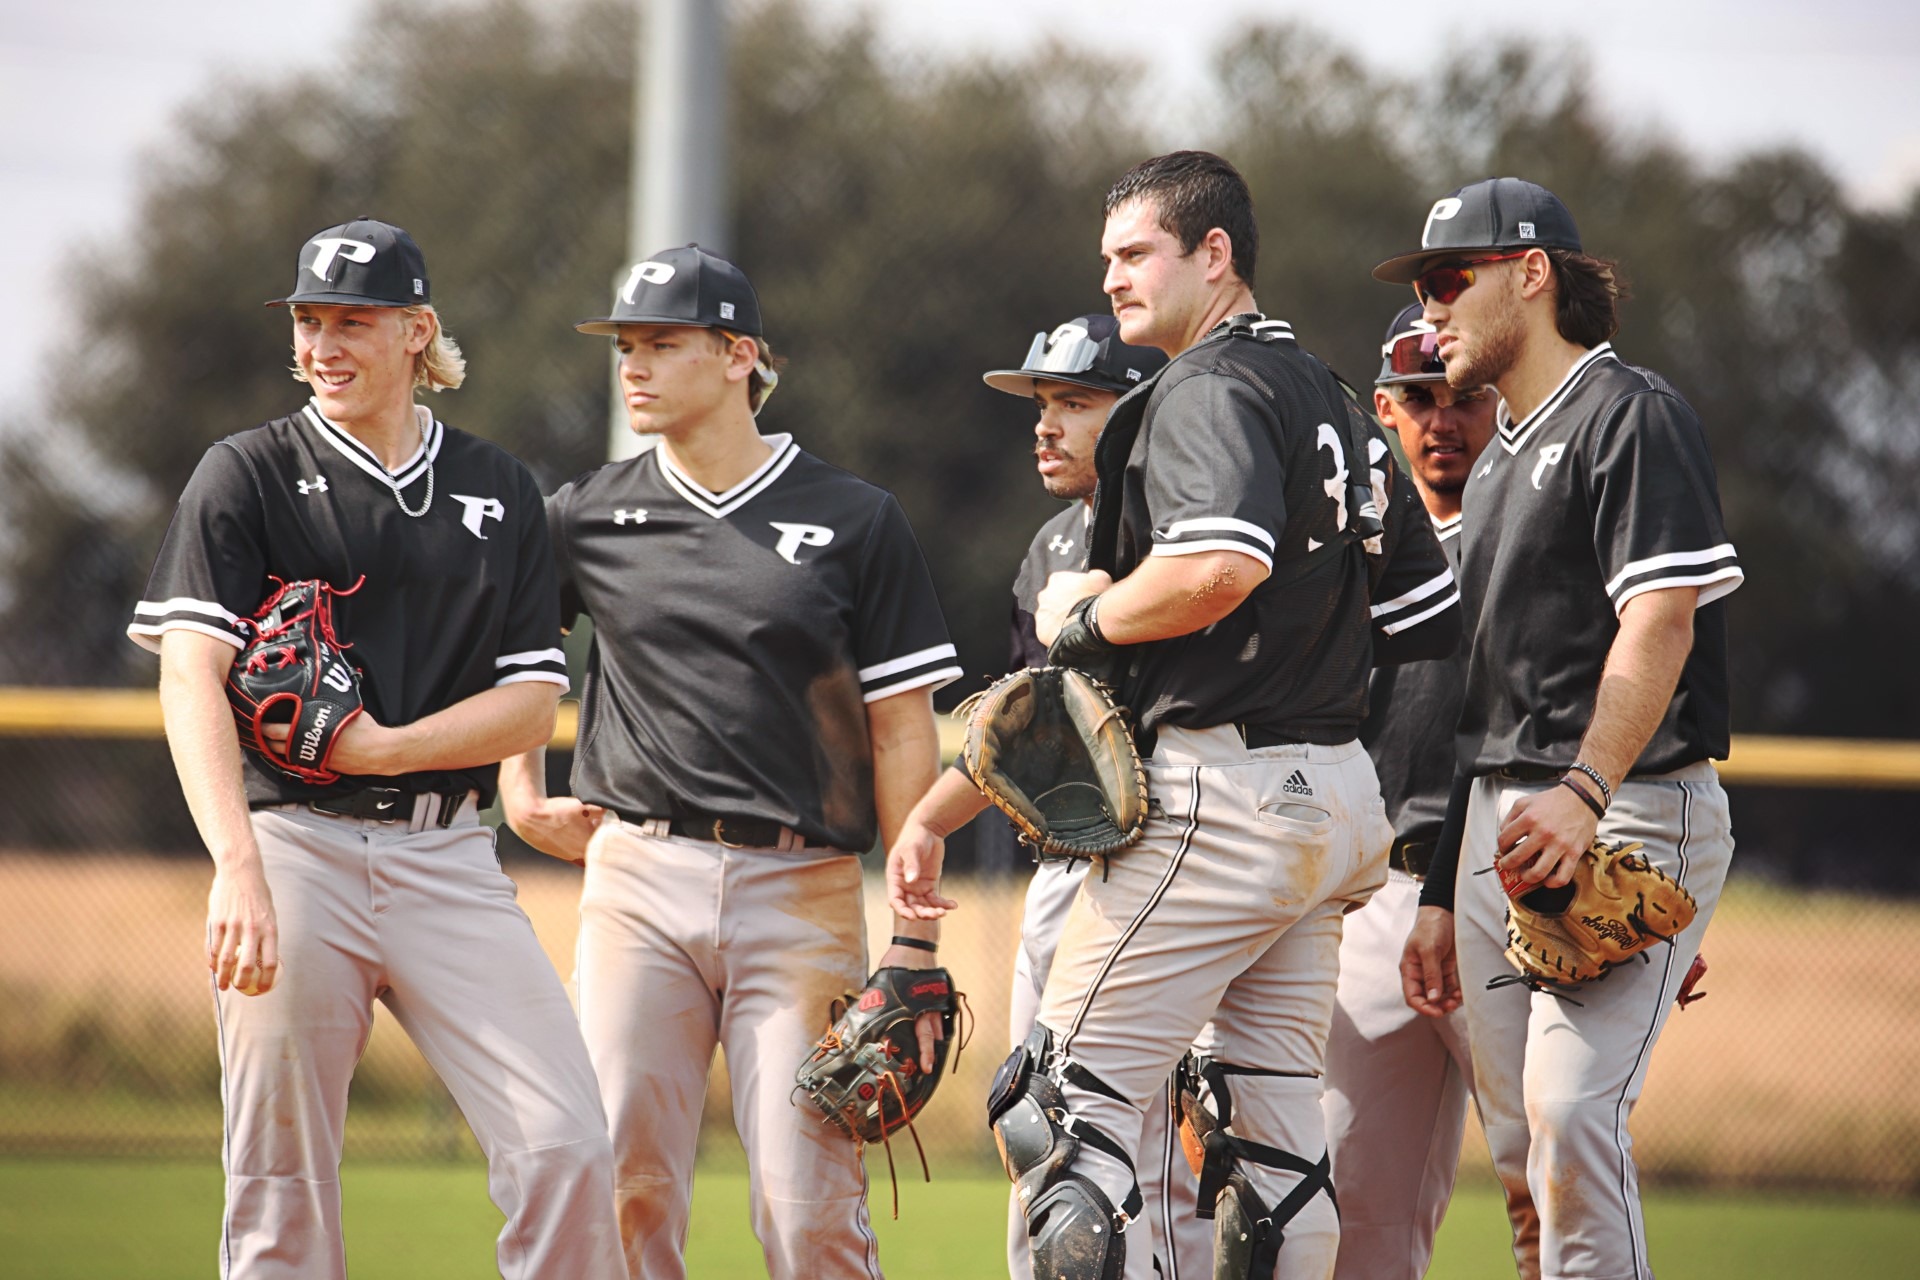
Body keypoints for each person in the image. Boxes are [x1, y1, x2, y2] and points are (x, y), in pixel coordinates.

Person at [892, 151, 1461, 1280]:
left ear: (1216, 254)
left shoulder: (1206, 385)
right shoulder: (1336, 399)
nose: (1111, 278)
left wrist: (1085, 621)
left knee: (1059, 1113)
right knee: (1276, 1146)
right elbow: (1426, 615)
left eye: (1135, 251)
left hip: (1220, 797)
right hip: (1331, 801)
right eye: (1105, 257)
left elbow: (1214, 568)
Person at [126, 219, 623, 1279]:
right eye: (310, 319)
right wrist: (238, 867)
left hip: (449, 857)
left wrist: (382, 748)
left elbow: (532, 701)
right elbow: (189, 674)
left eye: (353, 319)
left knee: (569, 1145)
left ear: (417, 332)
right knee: (280, 1185)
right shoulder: (247, 472)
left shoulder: (498, 488)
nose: (324, 343)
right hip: (291, 847)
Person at [499, 244, 963, 1280]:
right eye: (626, 345)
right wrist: (520, 791)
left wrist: (915, 929)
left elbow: (902, 725)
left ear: (739, 354)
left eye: (662, 343)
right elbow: (521, 661)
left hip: (800, 888)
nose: (634, 366)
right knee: (622, 1180)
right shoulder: (589, 512)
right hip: (638, 878)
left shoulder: (856, 517)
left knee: (808, 1207)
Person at [1378, 177, 1742, 1280]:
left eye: (1451, 279)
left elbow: (1661, 619)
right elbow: (1476, 710)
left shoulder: (1629, 413)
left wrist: (1584, 794)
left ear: (1531, 274)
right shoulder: (1492, 465)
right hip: (1496, 826)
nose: (1431, 309)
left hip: (1618, 800)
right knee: (1525, 1160)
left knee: (1573, 1117)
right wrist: (1441, 891)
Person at [887, 315, 1213, 1278]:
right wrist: (926, 821)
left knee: (1187, 1161)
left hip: (1188, 868)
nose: (1046, 425)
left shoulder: (1189, 528)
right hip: (1073, 873)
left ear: (1140, 412)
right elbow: (1029, 728)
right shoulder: (1051, 547)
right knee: (1043, 1136)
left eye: (1075, 403)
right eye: (1042, 405)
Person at [1320, 304, 1495, 1280]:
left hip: (1507, 883)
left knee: (1556, 1178)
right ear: (1384, 408)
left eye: (1464, 394)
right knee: (1352, 1212)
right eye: (1420, 397)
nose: (1443, 418)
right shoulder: (1352, 549)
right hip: (1372, 896)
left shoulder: (1543, 530)